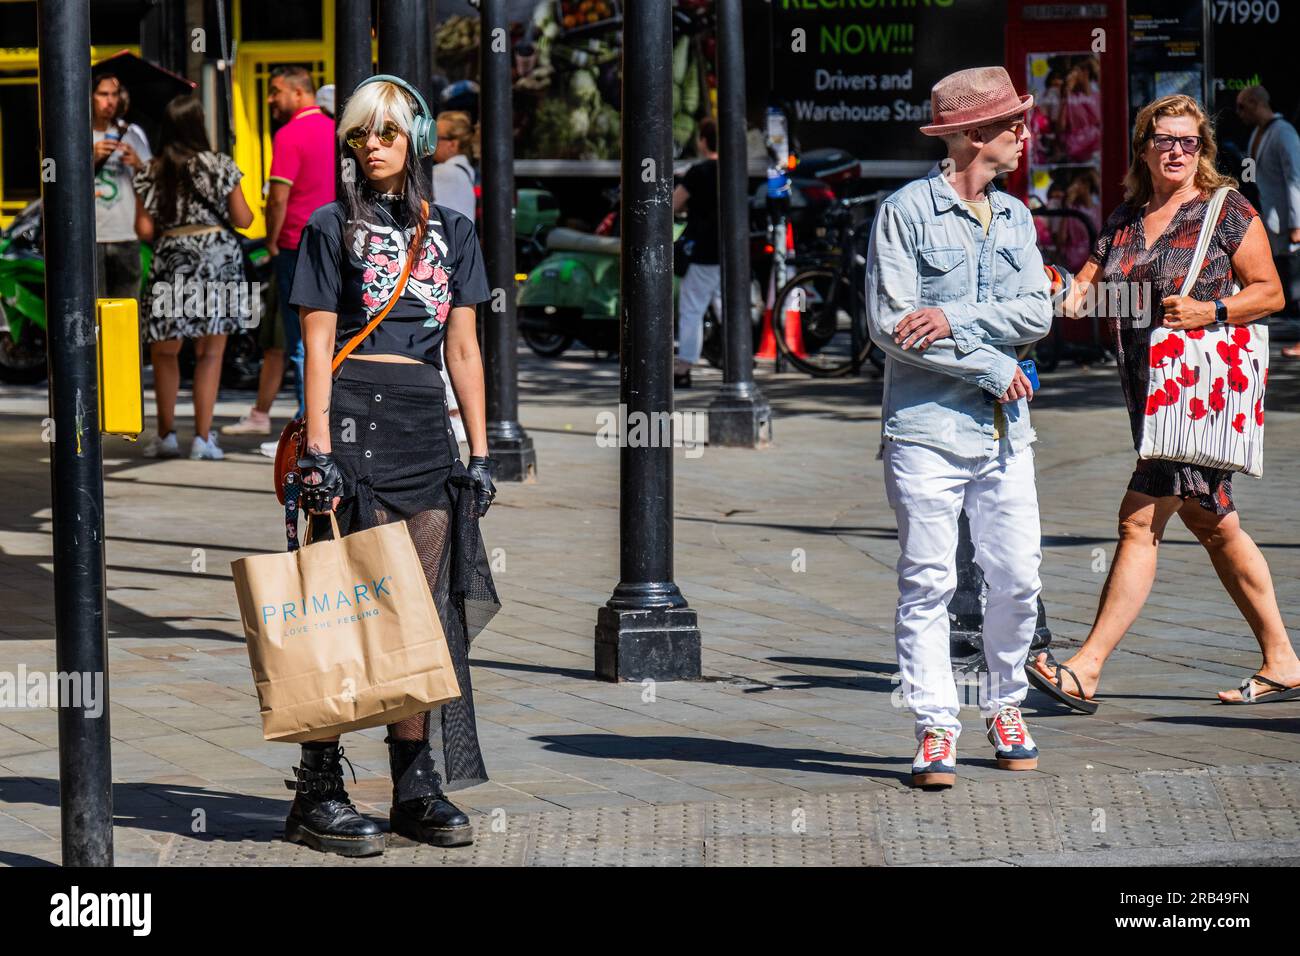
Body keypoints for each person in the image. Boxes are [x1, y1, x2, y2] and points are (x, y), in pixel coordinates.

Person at [284, 75, 499, 856]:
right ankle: (318, 791)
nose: (371, 147)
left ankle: (415, 785)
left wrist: (480, 453)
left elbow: (465, 347)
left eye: (386, 133)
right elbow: (314, 344)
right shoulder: (327, 225)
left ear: (413, 138)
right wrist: (317, 451)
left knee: (423, 617)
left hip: (422, 433)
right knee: (343, 612)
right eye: (360, 135)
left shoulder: (456, 230)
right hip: (350, 424)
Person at [1035, 94, 1300, 708]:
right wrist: (1054, 291)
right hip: (1148, 401)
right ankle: (1283, 658)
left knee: (1137, 521)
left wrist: (1211, 309)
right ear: (1144, 148)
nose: (1176, 150)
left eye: (1188, 140)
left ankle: (1086, 667)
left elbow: (1272, 293)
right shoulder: (1126, 218)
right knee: (1215, 525)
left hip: (1194, 400)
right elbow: (1091, 300)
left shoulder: (1225, 210)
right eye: (1164, 140)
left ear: (1202, 149)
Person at [865, 66, 1053, 789]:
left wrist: (955, 320)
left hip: (1006, 432)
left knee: (1018, 582)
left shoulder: (1017, 218)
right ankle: (936, 726)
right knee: (929, 584)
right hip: (925, 430)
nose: (1025, 135)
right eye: (1012, 126)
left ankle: (1005, 705)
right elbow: (891, 324)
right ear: (975, 136)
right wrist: (987, 365)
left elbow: (1036, 313)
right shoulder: (906, 212)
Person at [134, 95, 253, 461]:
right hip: (217, 259)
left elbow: (143, 228)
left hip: (172, 259)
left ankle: (167, 434)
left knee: (166, 350)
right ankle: (203, 439)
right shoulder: (220, 165)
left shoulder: (150, 169)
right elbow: (244, 219)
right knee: (210, 353)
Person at [224, 66, 335, 438]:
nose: (271, 99)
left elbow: (278, 198)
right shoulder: (336, 130)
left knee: (302, 339)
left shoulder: (290, 134)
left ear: (299, 93)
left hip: (295, 244)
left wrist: (271, 240)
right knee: (327, 333)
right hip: (335, 242)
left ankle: (309, 429)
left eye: (276, 91)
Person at [1235, 86, 1300, 347]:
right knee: (1282, 277)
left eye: (1241, 106)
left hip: (1287, 221)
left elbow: (1295, 178)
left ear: (1254, 103)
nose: (1238, 114)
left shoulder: (1284, 133)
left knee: (1295, 282)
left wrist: (1298, 223)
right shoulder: (1257, 134)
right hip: (1269, 220)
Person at [671, 117, 722, 389]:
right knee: (726, 304)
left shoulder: (698, 172)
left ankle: (684, 366)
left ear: (703, 141)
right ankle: (739, 360)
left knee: (692, 308)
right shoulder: (732, 170)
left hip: (704, 248)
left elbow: (675, 204)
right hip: (731, 249)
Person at [92, 73, 152, 299]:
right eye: (103, 94)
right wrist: (92, 156)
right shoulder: (78, 134)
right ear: (90, 97)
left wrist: (137, 163)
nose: (110, 101)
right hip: (92, 237)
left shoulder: (130, 134)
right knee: (94, 309)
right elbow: (58, 179)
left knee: (126, 309)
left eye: (114, 95)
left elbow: (152, 179)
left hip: (126, 235)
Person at [432, 110, 477, 221]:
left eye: (436, 137)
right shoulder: (465, 171)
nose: (431, 142)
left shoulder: (444, 172)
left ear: (453, 144)